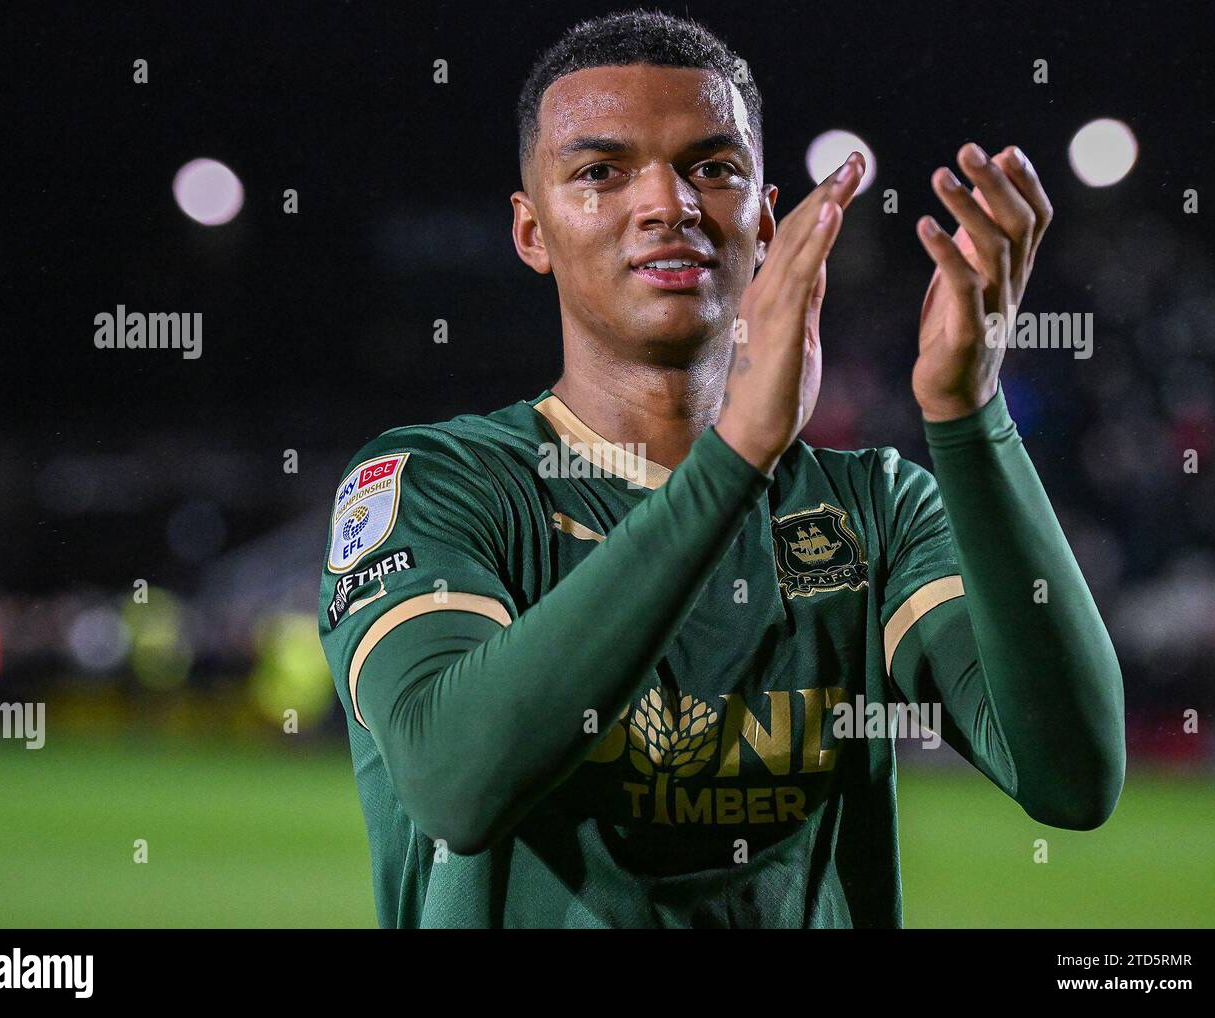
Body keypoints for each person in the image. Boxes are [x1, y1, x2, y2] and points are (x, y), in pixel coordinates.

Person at [318, 8, 1124, 928]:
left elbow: (1074, 777)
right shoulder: (441, 483)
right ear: (531, 231)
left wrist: (969, 415)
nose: (668, 204)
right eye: (600, 172)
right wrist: (738, 454)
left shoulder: (875, 510)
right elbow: (455, 785)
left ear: (767, 221)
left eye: (713, 167)